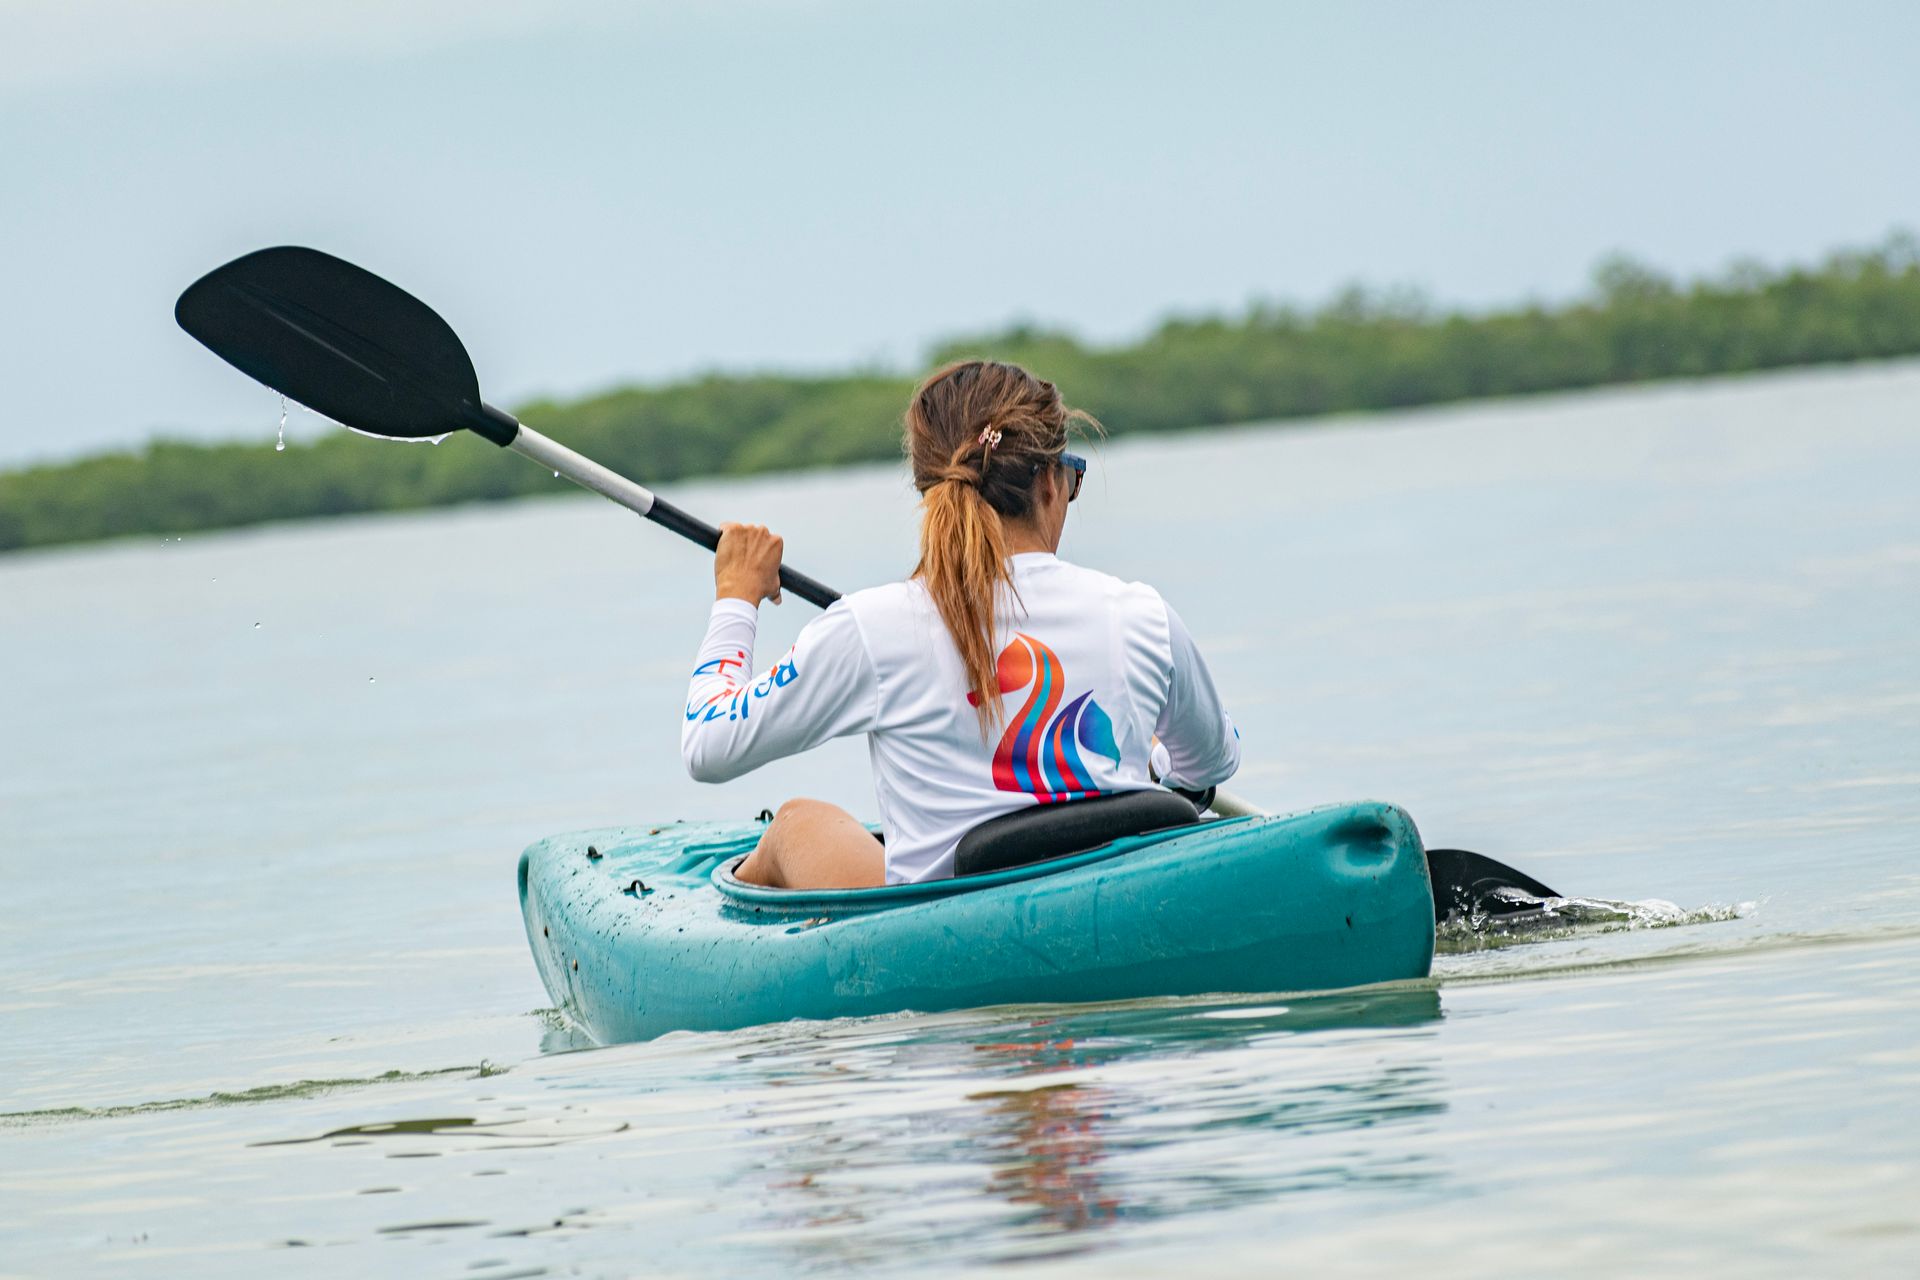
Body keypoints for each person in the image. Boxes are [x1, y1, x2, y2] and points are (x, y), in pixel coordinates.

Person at [681, 359, 1240, 888]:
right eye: (1074, 478)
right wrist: (1148, 755)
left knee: (795, 825)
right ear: (1050, 481)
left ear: (930, 496)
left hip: (943, 948)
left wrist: (736, 597)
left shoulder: (873, 628)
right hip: (1126, 905)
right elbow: (1211, 765)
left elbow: (709, 742)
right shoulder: (1141, 616)